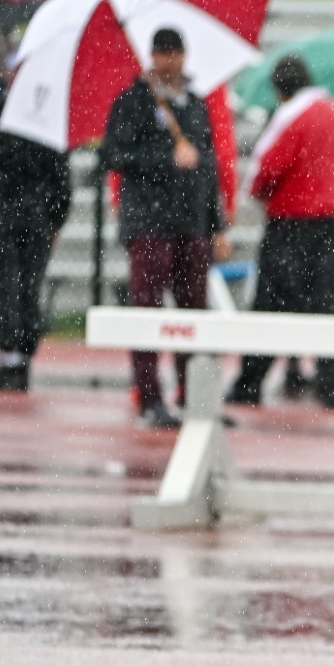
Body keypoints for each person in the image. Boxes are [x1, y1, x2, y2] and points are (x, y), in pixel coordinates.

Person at [100, 28, 229, 428]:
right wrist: (165, 158)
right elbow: (112, 155)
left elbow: (207, 165)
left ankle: (192, 393)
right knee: (148, 310)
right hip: (149, 223)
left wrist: (216, 224)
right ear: (152, 56)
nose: (169, 61)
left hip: (190, 224)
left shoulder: (195, 103)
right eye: (162, 53)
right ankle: (149, 397)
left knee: (195, 313)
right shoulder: (133, 102)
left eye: (175, 53)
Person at [226, 57, 334, 409]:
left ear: (279, 89)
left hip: (292, 223)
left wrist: (255, 194)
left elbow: (265, 168)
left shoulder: (290, 118)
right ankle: (332, 385)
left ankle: (250, 381)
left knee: (271, 304)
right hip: (331, 223)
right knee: (323, 304)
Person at [0, 36, 72, 394]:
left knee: (14, 287)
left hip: (11, 218)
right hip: (22, 217)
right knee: (22, 287)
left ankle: (14, 357)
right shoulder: (33, 120)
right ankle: (19, 357)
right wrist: (55, 216)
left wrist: (54, 216)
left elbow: (58, 174)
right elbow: (59, 174)